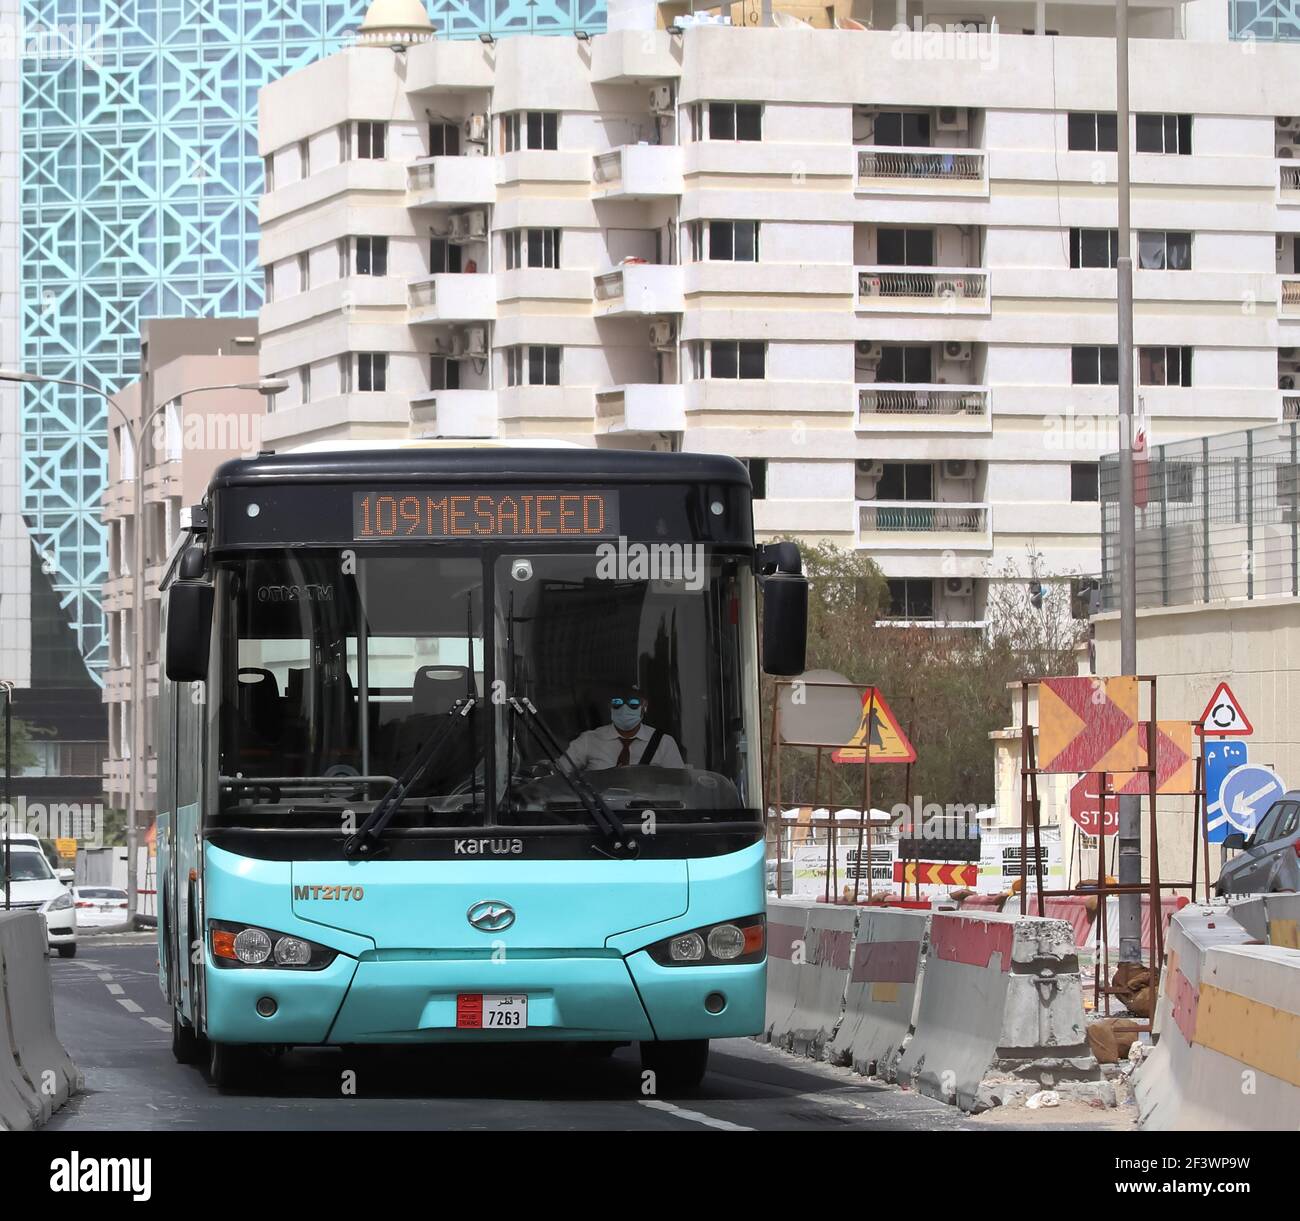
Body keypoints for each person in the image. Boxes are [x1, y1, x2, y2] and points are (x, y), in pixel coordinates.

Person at [563, 686, 684, 772]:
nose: (624, 708)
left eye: (633, 703)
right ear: (610, 706)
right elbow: (560, 773)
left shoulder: (664, 742)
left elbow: (678, 784)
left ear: (644, 706)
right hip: (599, 807)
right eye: (618, 703)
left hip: (646, 807)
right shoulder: (589, 740)